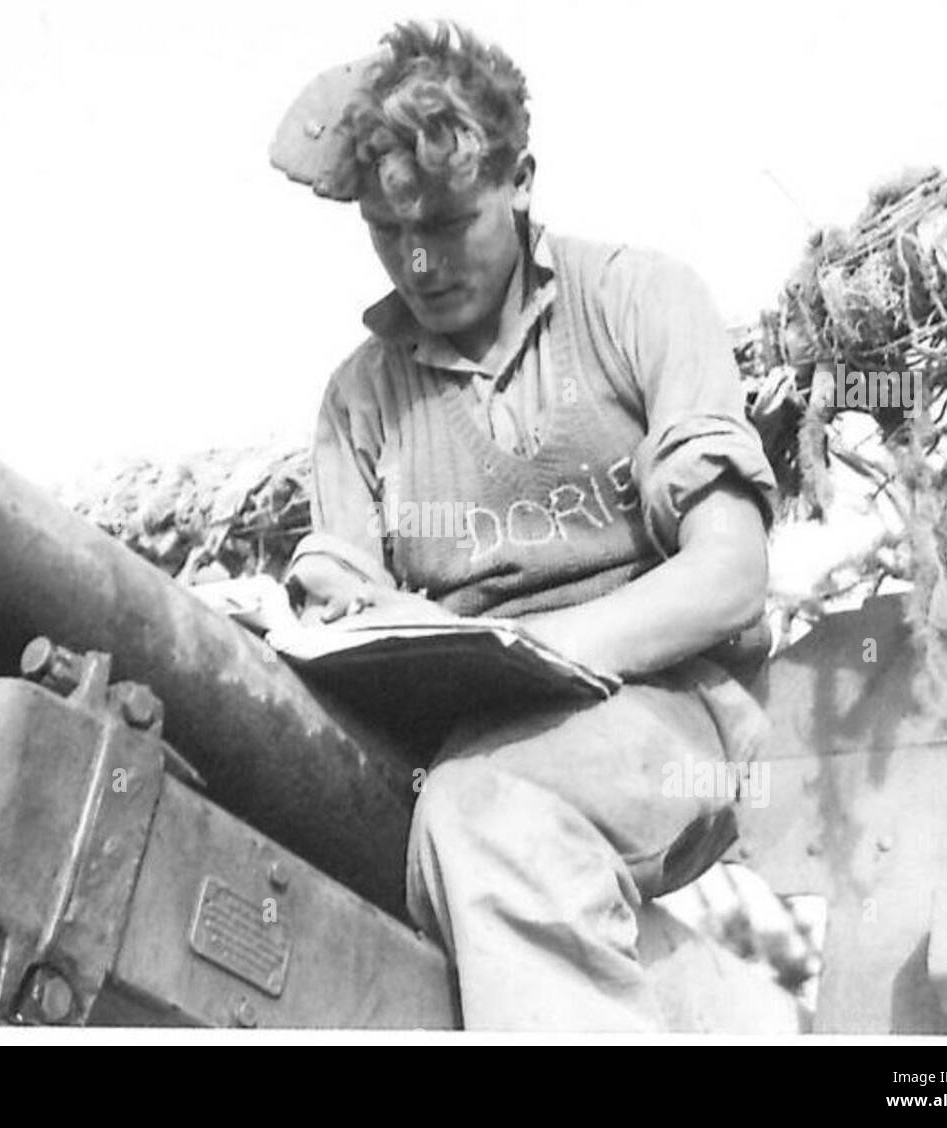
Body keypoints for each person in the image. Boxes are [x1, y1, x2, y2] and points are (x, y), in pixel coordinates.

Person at [270, 20, 778, 1030]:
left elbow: (728, 571)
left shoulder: (637, 298)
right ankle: (707, 1013)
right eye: (386, 230)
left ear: (520, 179)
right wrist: (335, 609)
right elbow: (347, 612)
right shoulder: (357, 401)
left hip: (675, 706)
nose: (417, 262)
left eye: (450, 221)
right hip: (473, 739)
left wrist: (535, 648)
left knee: (480, 817)